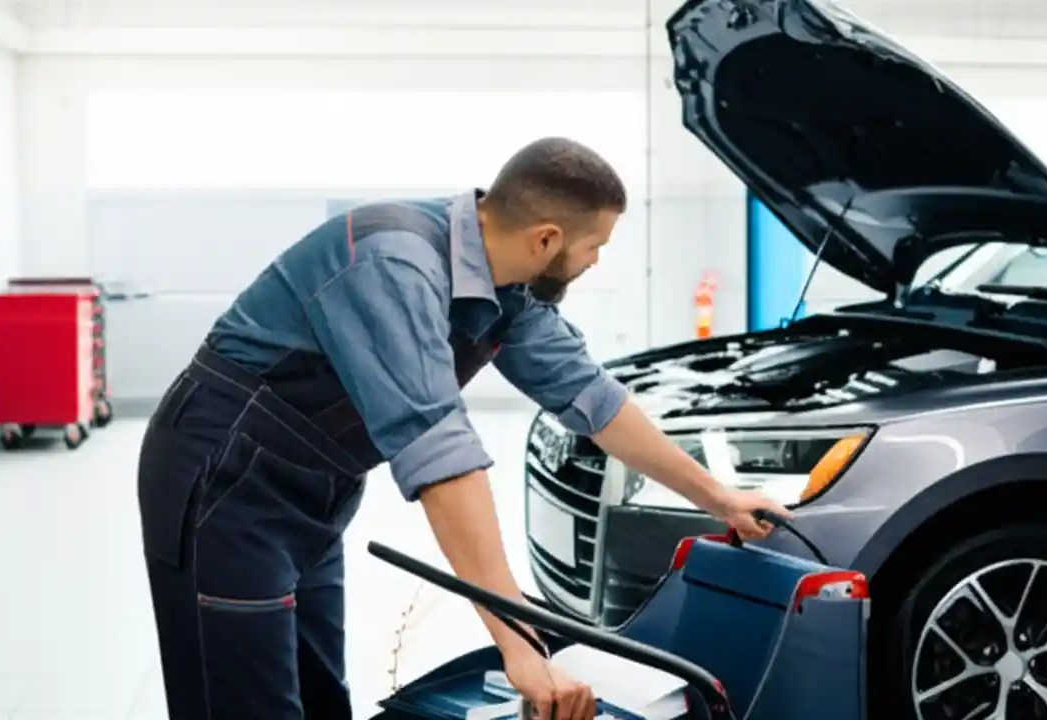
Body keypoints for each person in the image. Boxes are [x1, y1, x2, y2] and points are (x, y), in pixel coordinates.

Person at [136, 136, 793, 720]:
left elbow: (593, 398)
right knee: (243, 700)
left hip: (314, 492)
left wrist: (718, 498)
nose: (596, 262)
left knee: (316, 692)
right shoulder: (393, 263)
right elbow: (439, 452)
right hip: (224, 481)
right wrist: (519, 643)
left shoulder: (507, 289)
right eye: (595, 246)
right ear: (546, 239)